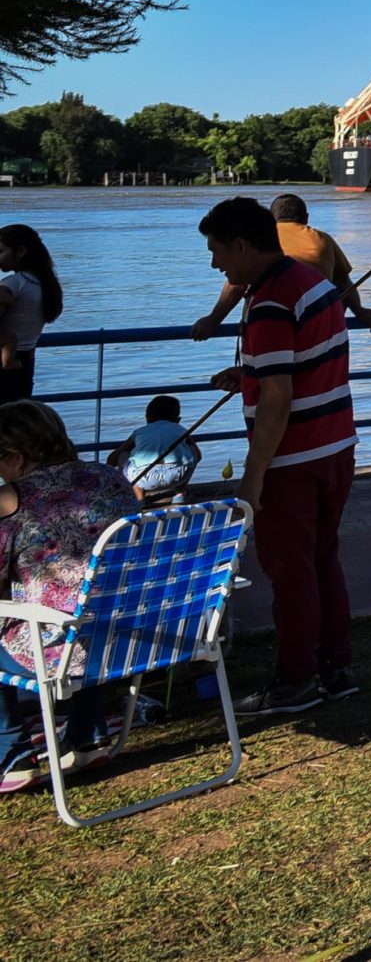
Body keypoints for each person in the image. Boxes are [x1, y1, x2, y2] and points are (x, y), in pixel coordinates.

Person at [200, 195, 359, 715]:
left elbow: (278, 398)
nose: (215, 263)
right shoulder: (313, 282)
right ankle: (336, 667)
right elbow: (299, 367)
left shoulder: (269, 301)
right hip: (337, 445)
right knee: (323, 559)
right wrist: (248, 373)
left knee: (290, 571)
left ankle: (295, 681)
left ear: (242, 246)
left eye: (218, 251)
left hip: (293, 459)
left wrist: (253, 476)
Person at [0, 400, 142, 790]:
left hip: (61, 655)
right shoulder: (112, 479)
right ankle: (88, 734)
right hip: (133, 639)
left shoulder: (13, 498)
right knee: (94, 604)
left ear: (16, 456)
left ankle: (10, 753)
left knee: (62, 619)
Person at [192, 195, 371, 341]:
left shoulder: (260, 242)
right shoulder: (322, 239)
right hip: (320, 329)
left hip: (272, 327)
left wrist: (213, 320)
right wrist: (360, 312)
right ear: (306, 217)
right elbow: (343, 281)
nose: (214, 263)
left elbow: (237, 284)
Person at [0, 224, 63, 403]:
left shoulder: (13, 283)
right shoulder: (46, 284)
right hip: (25, 365)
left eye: (1, 251)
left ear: (20, 251)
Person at [107, 394, 201, 501]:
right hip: (179, 475)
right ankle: (180, 493)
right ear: (178, 419)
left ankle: (139, 497)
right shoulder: (181, 429)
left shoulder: (139, 432)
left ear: (147, 418)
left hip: (143, 478)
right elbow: (198, 455)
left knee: (123, 455)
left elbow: (114, 457)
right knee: (192, 451)